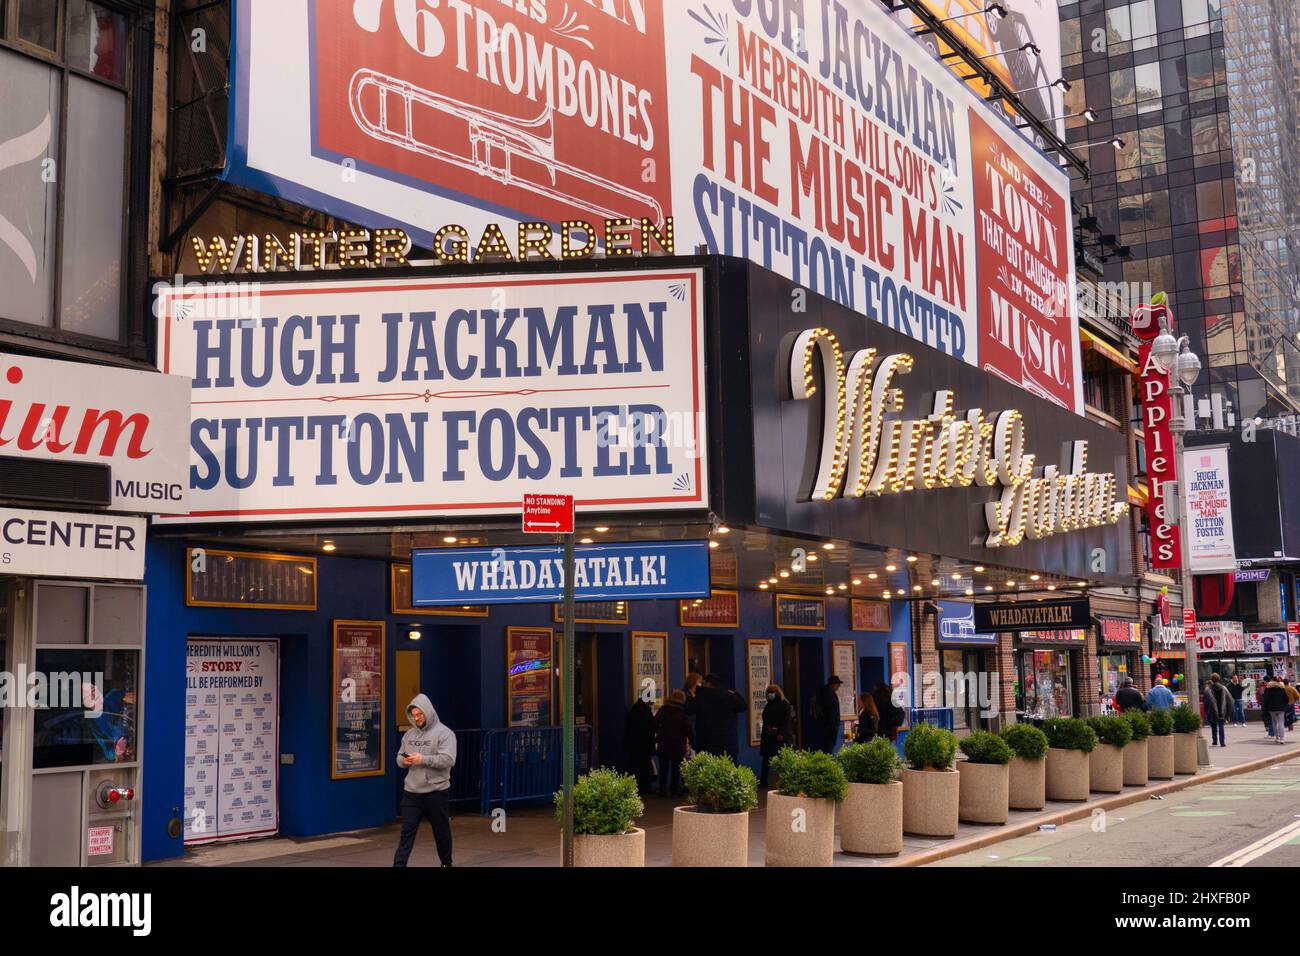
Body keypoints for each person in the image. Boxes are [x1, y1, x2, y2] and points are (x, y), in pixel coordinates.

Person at [393, 693, 457, 867]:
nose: (417, 718)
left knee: (440, 831)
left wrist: (423, 759)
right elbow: (399, 758)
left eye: (420, 714)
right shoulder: (409, 735)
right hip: (412, 792)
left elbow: (449, 759)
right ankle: (399, 864)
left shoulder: (445, 734)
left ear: (428, 712)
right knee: (407, 831)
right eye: (414, 715)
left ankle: (446, 862)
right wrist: (404, 761)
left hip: (436, 792)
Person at [684, 674, 745, 757]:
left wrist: (692, 692)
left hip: (707, 744)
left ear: (708, 684)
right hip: (728, 744)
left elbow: (688, 709)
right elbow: (743, 706)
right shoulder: (729, 695)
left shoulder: (701, 696)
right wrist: (735, 694)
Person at [653, 690, 692, 797]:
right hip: (678, 744)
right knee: (676, 769)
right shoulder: (682, 712)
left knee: (663, 768)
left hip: (663, 743)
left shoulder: (663, 710)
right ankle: (674, 790)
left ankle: (662, 790)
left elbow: (654, 724)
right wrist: (692, 742)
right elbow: (688, 729)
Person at [759, 683, 795, 788]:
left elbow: (786, 721)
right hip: (768, 736)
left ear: (777, 693)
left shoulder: (784, 704)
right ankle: (763, 782)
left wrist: (780, 733)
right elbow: (765, 719)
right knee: (766, 759)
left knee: (783, 759)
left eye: (772, 692)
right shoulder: (768, 705)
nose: (770, 694)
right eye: (768, 692)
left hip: (781, 736)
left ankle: (786, 781)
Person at [624, 695, 656, 794]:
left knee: (634, 766)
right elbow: (650, 728)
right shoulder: (646, 712)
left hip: (634, 744)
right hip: (644, 744)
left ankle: (634, 787)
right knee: (644, 767)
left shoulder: (635, 710)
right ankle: (644, 787)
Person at [810, 676, 843, 754]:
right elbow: (829, 710)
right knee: (828, 747)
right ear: (833, 684)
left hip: (829, 726)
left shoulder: (830, 693)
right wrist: (833, 725)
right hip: (828, 727)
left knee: (829, 747)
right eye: (838, 684)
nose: (839, 686)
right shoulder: (827, 694)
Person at [1202, 674, 1233, 748]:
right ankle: (1222, 742)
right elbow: (1230, 700)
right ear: (1218, 679)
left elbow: (1205, 701)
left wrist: (1206, 711)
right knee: (1221, 726)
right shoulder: (1224, 688)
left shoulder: (1208, 689)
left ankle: (1215, 741)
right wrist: (1228, 712)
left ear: (1211, 679)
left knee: (1214, 726)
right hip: (1222, 710)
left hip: (1212, 711)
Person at [1261, 679, 1290, 745]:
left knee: (1274, 722)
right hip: (1281, 708)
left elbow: (1266, 700)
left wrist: (1266, 708)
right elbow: (1286, 699)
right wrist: (1284, 705)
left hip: (1272, 709)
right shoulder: (1282, 689)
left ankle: (1276, 737)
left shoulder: (1268, 690)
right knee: (1281, 722)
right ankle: (1282, 738)